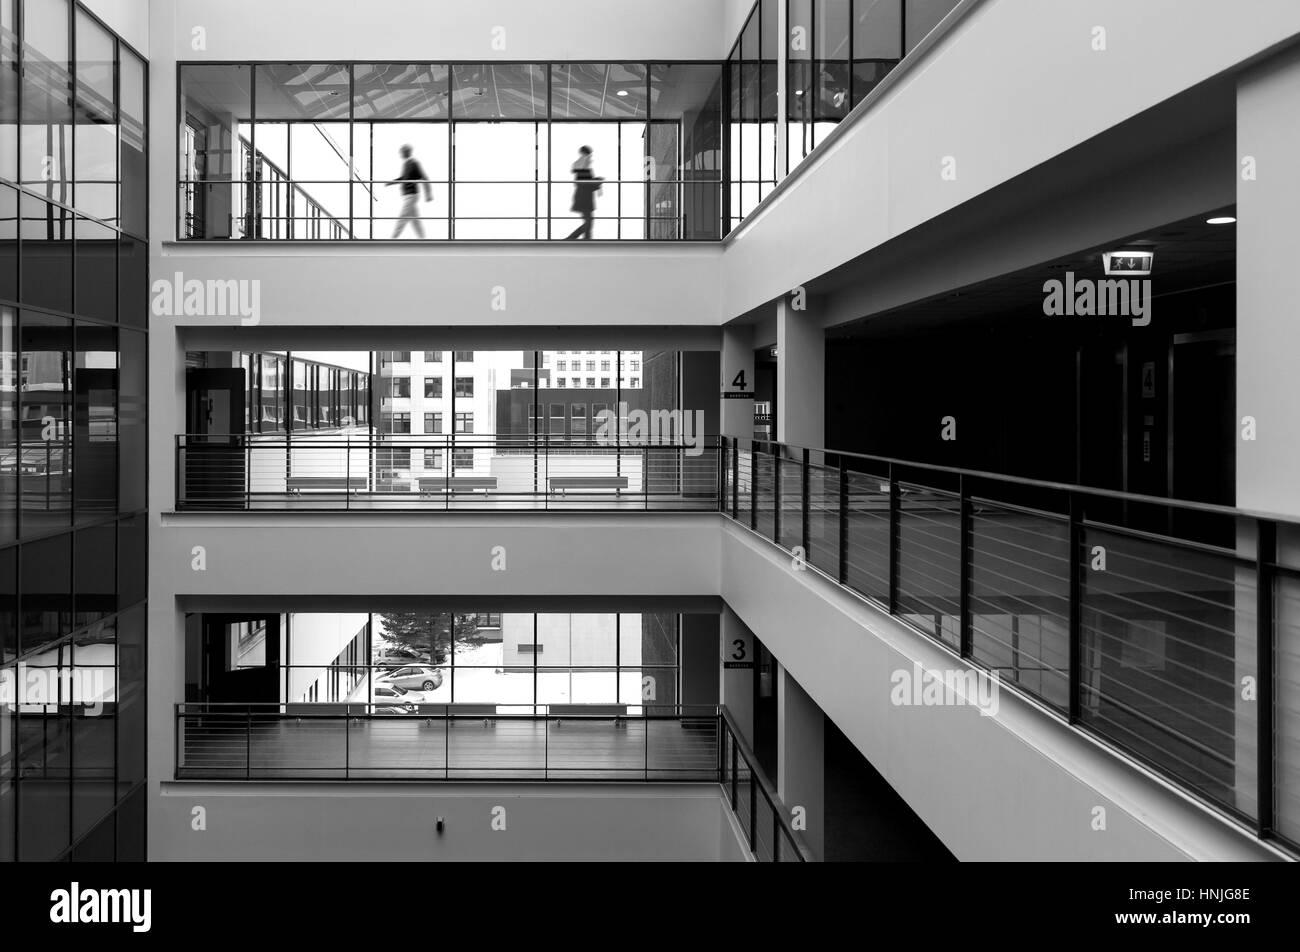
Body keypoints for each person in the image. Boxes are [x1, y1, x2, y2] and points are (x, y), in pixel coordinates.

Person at [385, 144, 433, 238]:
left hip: (411, 195)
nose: (400, 154)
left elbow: (424, 177)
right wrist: (391, 182)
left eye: (402, 151)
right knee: (415, 219)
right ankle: (423, 239)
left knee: (402, 217)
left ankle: (392, 239)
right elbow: (403, 178)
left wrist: (428, 194)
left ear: (406, 152)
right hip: (407, 195)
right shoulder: (406, 164)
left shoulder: (413, 163)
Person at [566, 146, 603, 240]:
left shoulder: (584, 169)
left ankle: (586, 239)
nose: (590, 158)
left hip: (585, 198)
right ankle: (572, 238)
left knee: (589, 222)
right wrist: (597, 181)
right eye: (588, 156)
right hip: (583, 198)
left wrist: (597, 181)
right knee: (589, 222)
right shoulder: (582, 168)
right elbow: (585, 184)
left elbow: (587, 183)